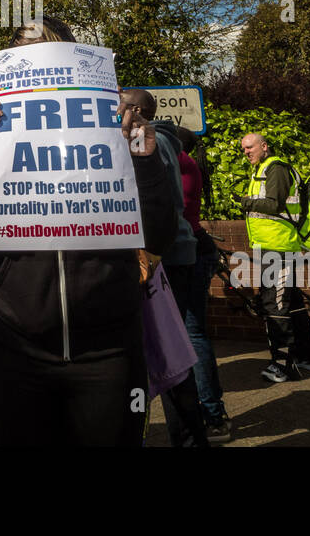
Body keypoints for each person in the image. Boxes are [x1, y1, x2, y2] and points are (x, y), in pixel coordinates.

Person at [0, 17, 179, 446]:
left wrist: (145, 163)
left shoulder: (114, 126)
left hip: (109, 350)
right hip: (14, 351)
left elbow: (159, 237)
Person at [119, 88, 207, 447]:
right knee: (173, 350)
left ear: (136, 110)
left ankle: (190, 436)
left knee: (170, 352)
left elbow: (161, 205)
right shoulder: (161, 141)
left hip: (162, 258)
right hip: (169, 253)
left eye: (120, 101)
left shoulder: (150, 140)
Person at [238, 132, 310, 383]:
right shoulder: (263, 169)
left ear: (264, 146)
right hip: (270, 246)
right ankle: (308, 358)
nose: (246, 152)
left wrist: (245, 202)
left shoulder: (276, 168)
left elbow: (274, 205)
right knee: (292, 303)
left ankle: (281, 365)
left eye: (250, 147)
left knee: (275, 306)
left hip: (279, 248)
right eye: (243, 149)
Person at [176, 125, 231, 442]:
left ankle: (213, 415)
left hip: (191, 253)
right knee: (192, 331)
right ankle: (211, 414)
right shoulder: (189, 163)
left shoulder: (179, 162)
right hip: (198, 248)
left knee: (192, 332)